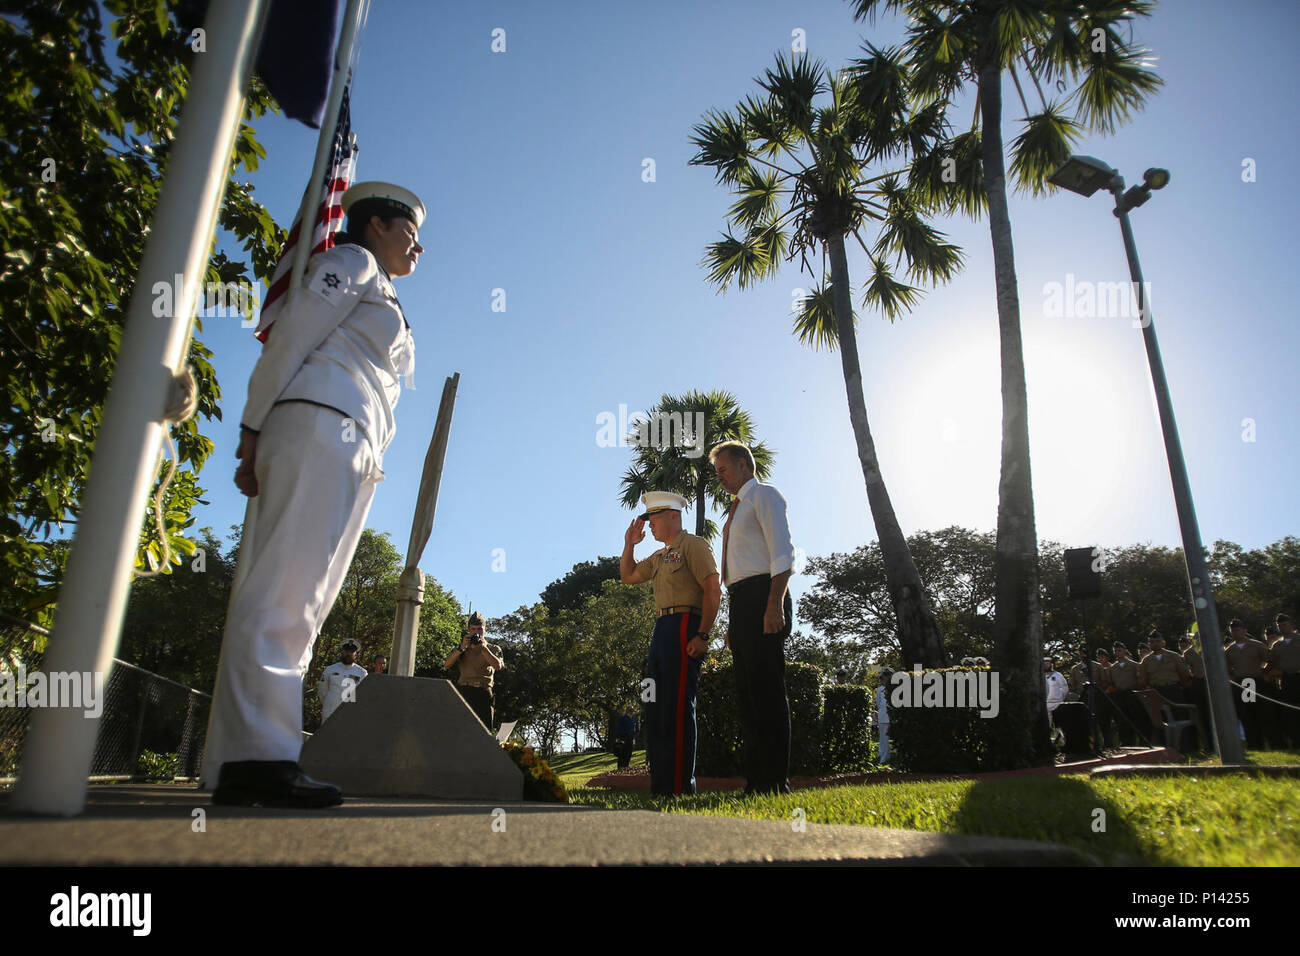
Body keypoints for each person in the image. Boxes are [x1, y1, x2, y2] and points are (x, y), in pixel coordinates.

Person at [202, 182, 425, 808]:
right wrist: (251, 429)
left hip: (351, 441)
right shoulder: (351, 263)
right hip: (321, 424)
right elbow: (292, 334)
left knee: (305, 598)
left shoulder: (382, 287)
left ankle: (250, 757)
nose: (420, 246)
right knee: (286, 591)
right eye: (410, 231)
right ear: (377, 224)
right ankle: (259, 758)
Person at [620, 491, 721, 796]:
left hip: (684, 626)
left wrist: (702, 635)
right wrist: (628, 545)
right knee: (655, 706)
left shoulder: (693, 545)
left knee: (678, 706)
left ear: (673, 516)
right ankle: (661, 785)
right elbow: (628, 576)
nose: (648, 525)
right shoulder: (660, 556)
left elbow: (712, 590)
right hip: (662, 628)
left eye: (653, 519)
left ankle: (679, 786)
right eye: (647, 519)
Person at [711, 441, 796, 796]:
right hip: (741, 602)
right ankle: (756, 781)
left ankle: (776, 781)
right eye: (717, 473)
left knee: (767, 692)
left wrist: (774, 604)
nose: (721, 479)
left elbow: (782, 553)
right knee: (748, 696)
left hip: (765, 594)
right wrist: (733, 622)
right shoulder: (735, 509)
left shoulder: (764, 495)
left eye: (724, 470)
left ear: (744, 464)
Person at [444, 611, 504, 731]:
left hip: (483, 692)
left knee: (484, 731)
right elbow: (447, 664)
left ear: (485, 629)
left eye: (479, 629)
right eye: (473, 629)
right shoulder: (462, 647)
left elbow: (498, 666)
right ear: (469, 630)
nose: (476, 632)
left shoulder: (493, 648)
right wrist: (461, 648)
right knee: (460, 730)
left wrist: (484, 648)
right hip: (464, 691)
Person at [1224, 618, 1269, 749]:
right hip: (1243, 683)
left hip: (1257, 680)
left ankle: (1266, 741)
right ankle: (1253, 743)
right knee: (1247, 714)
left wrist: (1266, 672)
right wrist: (1232, 677)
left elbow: (1269, 660)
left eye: (1238, 630)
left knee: (1261, 713)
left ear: (1244, 631)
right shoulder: (1230, 650)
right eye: (1233, 631)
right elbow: (1227, 667)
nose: (1235, 633)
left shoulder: (1256, 645)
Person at [1266, 613, 1300, 747]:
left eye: (1284, 625)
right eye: (1279, 626)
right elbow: (1271, 663)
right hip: (1287, 679)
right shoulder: (1277, 645)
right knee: (1290, 711)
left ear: (1292, 625)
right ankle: (1296, 741)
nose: (1282, 628)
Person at [1109, 643, 1151, 746]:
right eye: (1115, 651)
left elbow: (1140, 680)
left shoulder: (1134, 665)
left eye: (1119, 650)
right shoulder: (1112, 668)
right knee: (1123, 721)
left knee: (1138, 719)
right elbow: (1112, 683)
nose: (1117, 653)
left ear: (1124, 651)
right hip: (1120, 696)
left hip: (1133, 695)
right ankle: (1127, 744)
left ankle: (1143, 743)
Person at [317, 639, 368, 723]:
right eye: (346, 651)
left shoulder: (362, 673)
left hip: (349, 715)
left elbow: (363, 695)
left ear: (356, 654)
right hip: (330, 712)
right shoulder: (330, 669)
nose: (348, 654)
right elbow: (322, 691)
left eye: (351, 652)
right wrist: (329, 703)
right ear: (342, 652)